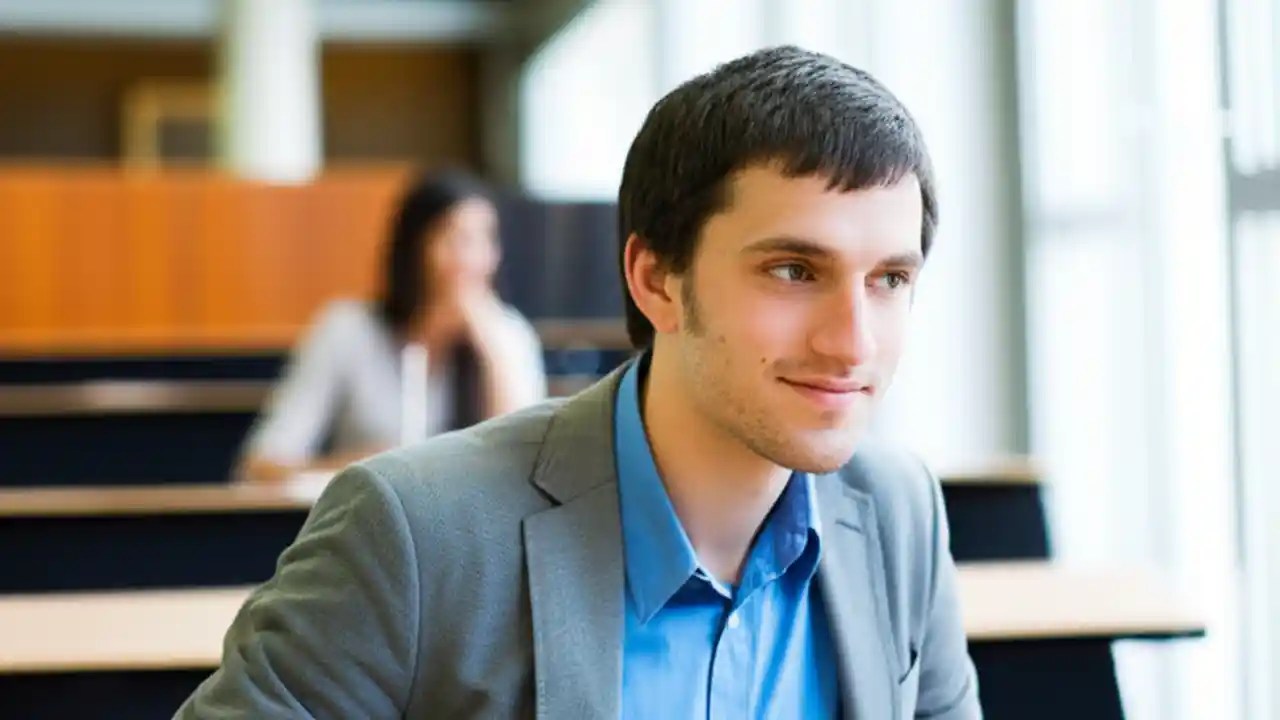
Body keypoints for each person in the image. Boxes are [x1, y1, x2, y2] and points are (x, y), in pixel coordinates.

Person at [178, 46, 981, 719]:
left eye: (890, 280)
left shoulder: (898, 514)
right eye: (793, 270)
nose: (852, 343)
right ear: (656, 279)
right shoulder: (415, 536)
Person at [236, 170, 547, 483]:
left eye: (485, 240)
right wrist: (366, 469)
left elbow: (523, 468)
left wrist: (491, 348)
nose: (471, 259)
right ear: (413, 248)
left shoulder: (509, 335)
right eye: (455, 239)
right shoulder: (347, 329)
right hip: (369, 510)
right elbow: (261, 465)